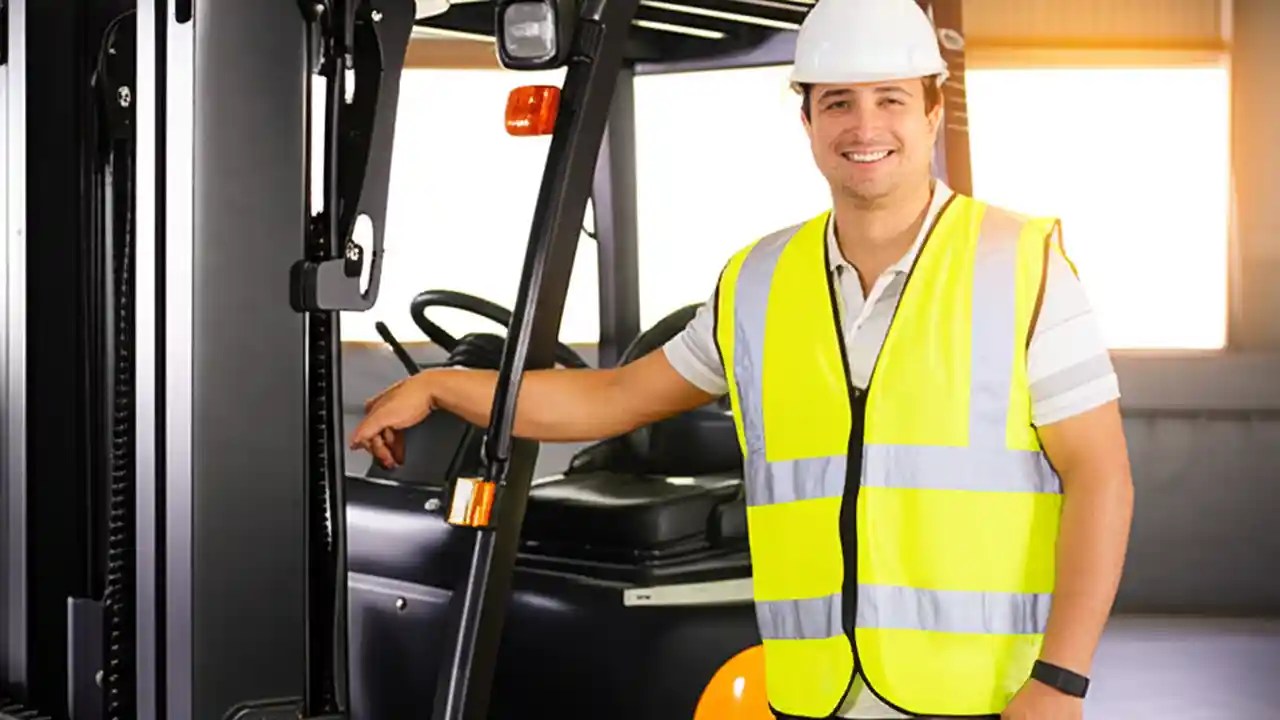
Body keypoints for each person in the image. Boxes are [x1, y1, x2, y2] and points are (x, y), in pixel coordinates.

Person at [350, 0, 1135, 717]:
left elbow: (1100, 476)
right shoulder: (758, 282)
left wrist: (1059, 680)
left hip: (982, 693)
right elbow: (614, 400)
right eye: (838, 102)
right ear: (808, 122)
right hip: (814, 690)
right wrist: (442, 386)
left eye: (890, 99)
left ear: (932, 111)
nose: (865, 127)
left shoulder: (1023, 267)